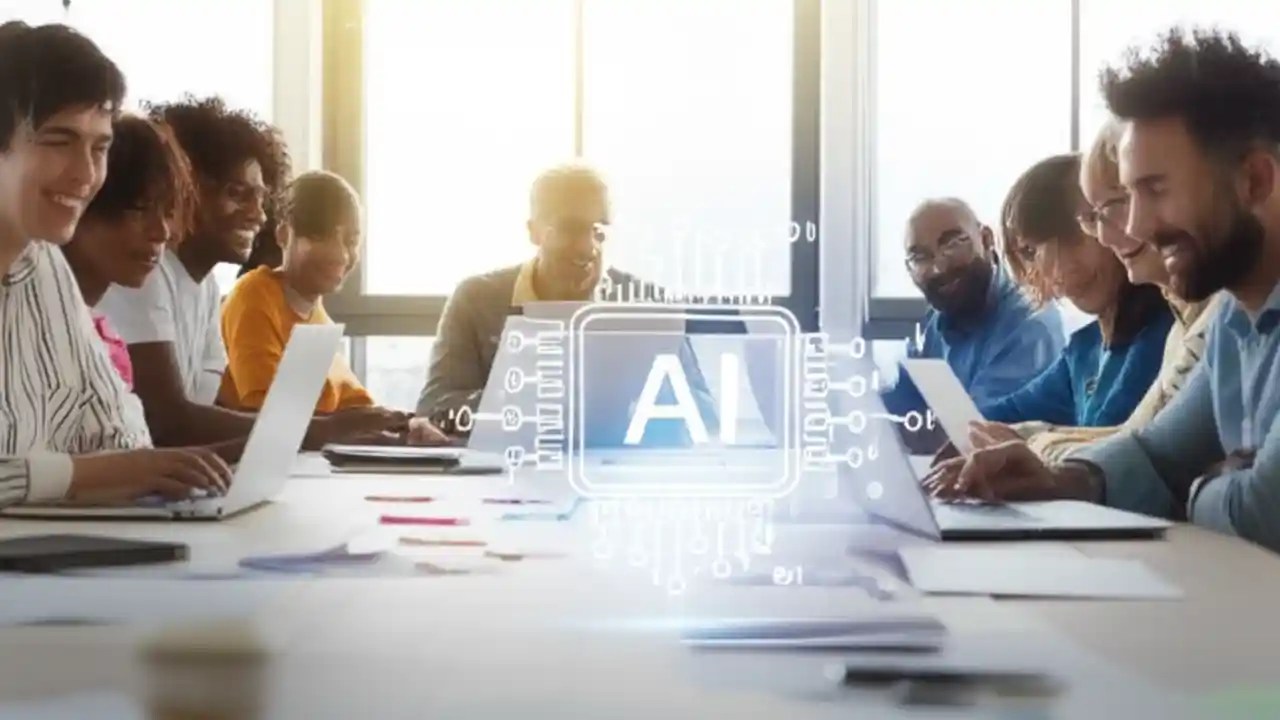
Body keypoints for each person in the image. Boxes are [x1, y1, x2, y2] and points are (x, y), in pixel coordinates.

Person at [924, 28, 1280, 553]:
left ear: (1254, 181)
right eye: (1127, 196)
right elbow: (1160, 456)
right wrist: (1058, 481)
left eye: (1155, 190)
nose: (1135, 227)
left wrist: (1197, 488)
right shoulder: (1233, 314)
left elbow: (1262, 513)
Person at [0, 21, 228, 507]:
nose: (86, 174)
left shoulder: (47, 274)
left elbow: (122, 440)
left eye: (99, 147)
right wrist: (74, 476)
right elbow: (105, 467)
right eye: (58, 141)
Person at [96, 96, 403, 453]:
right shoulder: (144, 273)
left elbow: (209, 415)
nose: (257, 215)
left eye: (261, 198)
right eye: (236, 194)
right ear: (183, 189)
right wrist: (319, 431)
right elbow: (169, 420)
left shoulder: (208, 288)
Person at [970, 120, 1221, 460]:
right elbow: (1140, 443)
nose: (1127, 228)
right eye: (1098, 217)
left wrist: (1034, 445)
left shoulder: (1178, 326)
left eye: (1151, 193)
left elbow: (1144, 455)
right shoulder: (1096, 344)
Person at [418, 162, 680, 423]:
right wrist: (530, 397)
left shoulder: (647, 303)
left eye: (599, 231)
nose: (589, 247)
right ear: (534, 232)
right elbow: (434, 408)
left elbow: (704, 416)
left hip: (616, 463)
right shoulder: (476, 301)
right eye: (570, 228)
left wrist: (643, 402)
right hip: (508, 463)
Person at [218, 170, 446, 441]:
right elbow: (265, 414)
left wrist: (409, 426)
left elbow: (360, 411)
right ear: (283, 234)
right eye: (320, 236)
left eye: (350, 241)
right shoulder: (254, 295)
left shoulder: (318, 317)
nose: (340, 254)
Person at [975, 153, 1174, 428]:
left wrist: (1033, 436)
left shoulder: (1164, 333)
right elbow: (996, 417)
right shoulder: (1084, 350)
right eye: (1031, 251)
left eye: (1077, 235)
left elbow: (1115, 445)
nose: (1058, 267)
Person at [882, 197, 1064, 451]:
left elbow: (974, 437)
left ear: (987, 240)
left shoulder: (1029, 325)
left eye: (953, 244)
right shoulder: (937, 317)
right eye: (921, 257)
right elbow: (900, 403)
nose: (937, 268)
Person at [61, 113, 196, 389]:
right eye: (139, 209)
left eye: (167, 212)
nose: (161, 232)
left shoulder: (101, 335)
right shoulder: (33, 330)